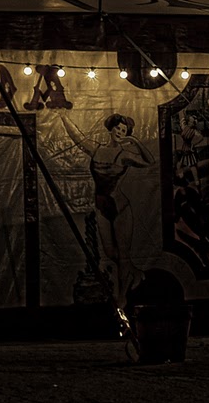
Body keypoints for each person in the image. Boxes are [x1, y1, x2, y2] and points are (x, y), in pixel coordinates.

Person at [62, 112, 153, 306]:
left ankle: (122, 297)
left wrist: (135, 141)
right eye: (118, 129)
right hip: (101, 205)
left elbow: (149, 161)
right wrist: (63, 117)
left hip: (120, 206)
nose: (120, 132)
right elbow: (77, 137)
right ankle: (135, 273)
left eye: (124, 131)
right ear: (111, 129)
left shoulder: (125, 154)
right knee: (111, 253)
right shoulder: (97, 149)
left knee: (123, 252)